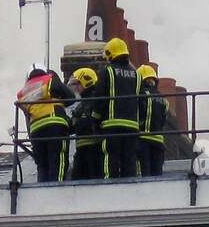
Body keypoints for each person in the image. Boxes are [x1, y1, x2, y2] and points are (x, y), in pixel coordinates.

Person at [92, 38, 142, 179]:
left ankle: (110, 188)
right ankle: (130, 189)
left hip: (112, 126)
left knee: (111, 159)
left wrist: (95, 121)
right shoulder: (137, 75)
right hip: (132, 126)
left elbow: (99, 98)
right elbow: (142, 102)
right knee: (129, 160)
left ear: (110, 54)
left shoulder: (107, 72)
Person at [16, 65, 74, 182]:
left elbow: (26, 112)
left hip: (36, 130)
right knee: (58, 160)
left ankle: (42, 189)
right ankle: (57, 189)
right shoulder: (50, 79)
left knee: (42, 165)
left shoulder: (22, 92)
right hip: (55, 123)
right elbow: (71, 97)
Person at [67, 67, 102, 179]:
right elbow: (72, 127)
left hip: (95, 150)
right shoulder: (80, 105)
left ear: (87, 82)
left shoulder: (96, 102)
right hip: (81, 151)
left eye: (79, 84)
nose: (76, 87)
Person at [137, 64, 168, 177]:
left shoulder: (141, 96)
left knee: (144, 176)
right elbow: (163, 120)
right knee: (157, 177)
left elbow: (140, 115)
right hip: (159, 142)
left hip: (143, 141)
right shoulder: (164, 100)